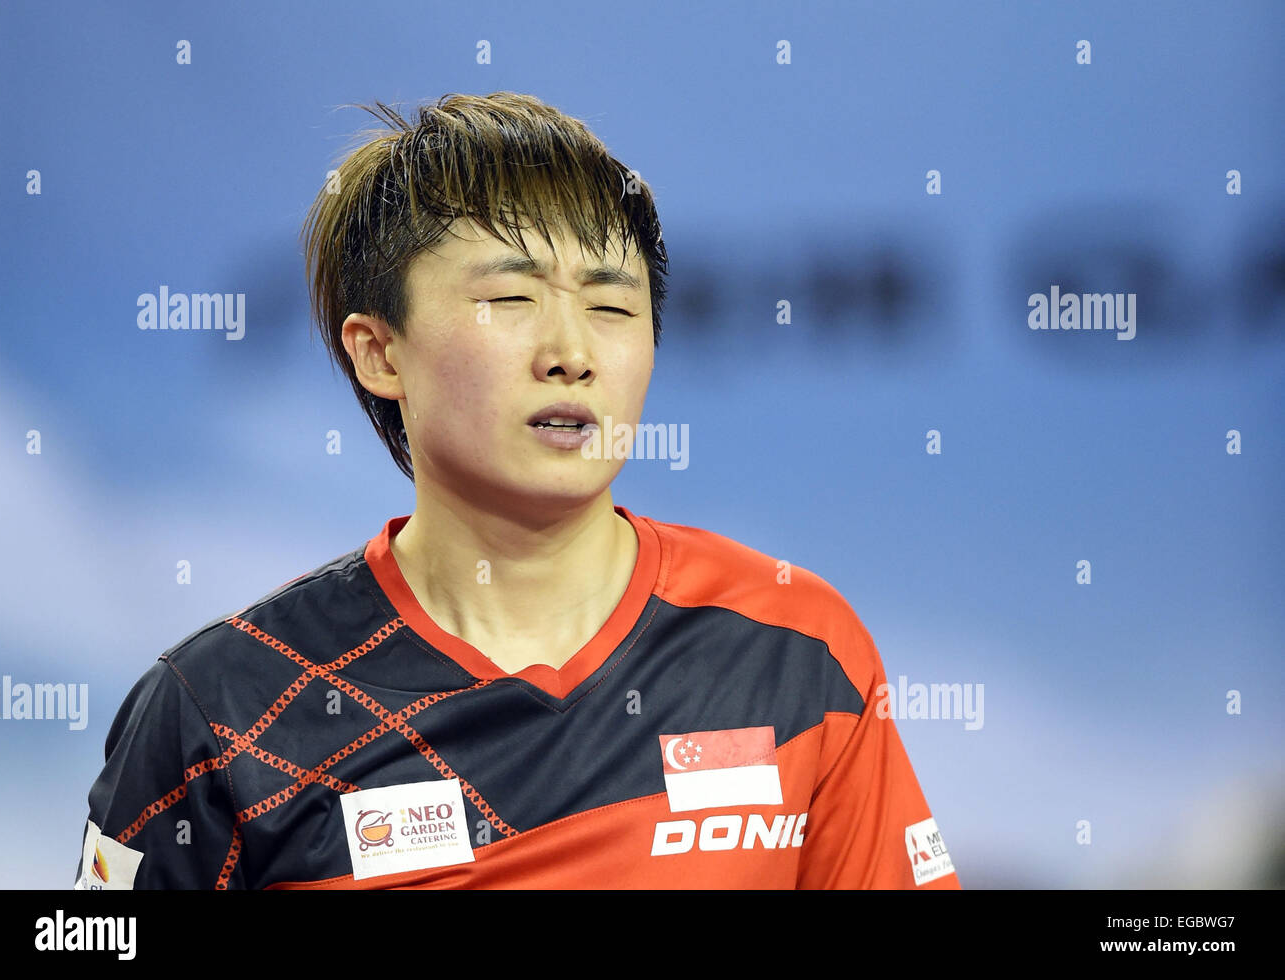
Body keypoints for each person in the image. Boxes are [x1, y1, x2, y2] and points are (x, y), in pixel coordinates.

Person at [74, 91, 959, 889]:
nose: (572, 352)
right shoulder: (222, 712)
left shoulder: (795, 650)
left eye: (613, 308)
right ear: (380, 352)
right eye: (511, 299)